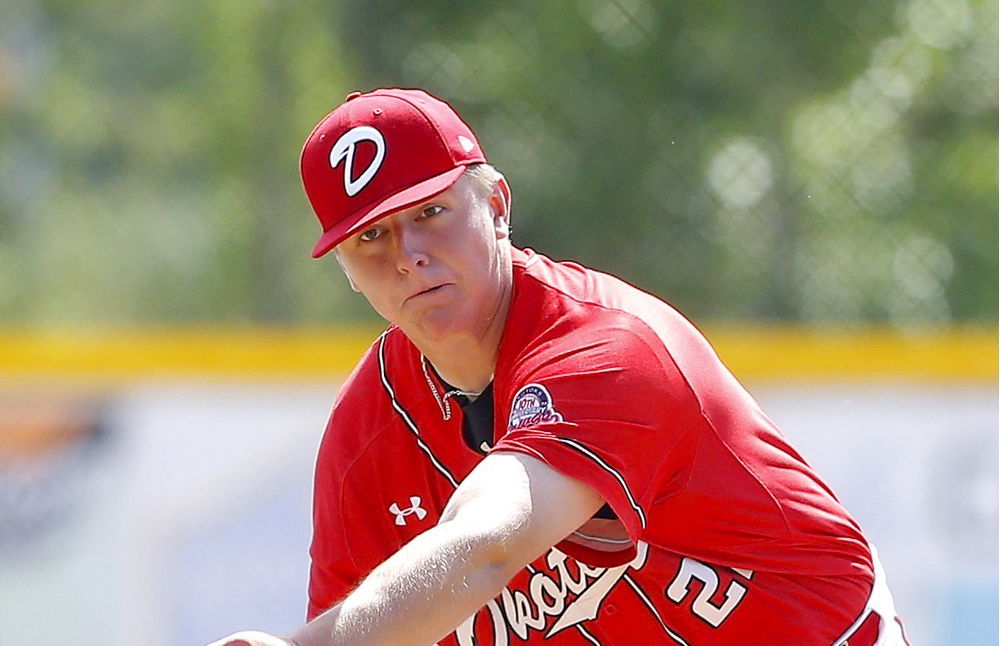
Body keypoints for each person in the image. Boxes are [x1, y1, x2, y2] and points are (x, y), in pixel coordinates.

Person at [208, 88, 909, 646]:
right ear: (347, 274)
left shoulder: (606, 346)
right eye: (371, 236)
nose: (408, 255)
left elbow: (487, 543)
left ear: (496, 205)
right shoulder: (366, 439)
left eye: (430, 212)